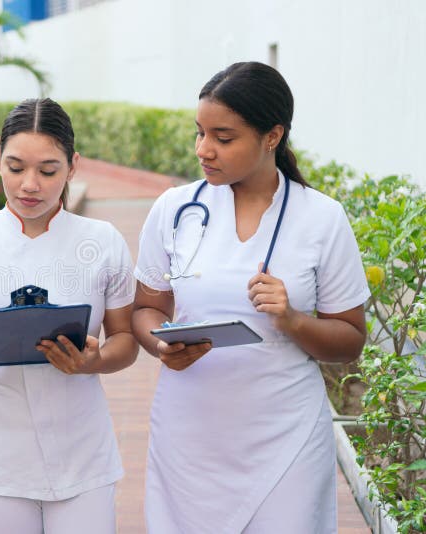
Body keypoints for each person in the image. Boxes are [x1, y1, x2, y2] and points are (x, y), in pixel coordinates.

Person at [131, 61, 370, 533]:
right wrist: (160, 346)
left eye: (223, 138)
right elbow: (146, 308)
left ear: (272, 136)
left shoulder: (321, 218)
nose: (204, 150)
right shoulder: (175, 210)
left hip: (286, 436)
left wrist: (294, 320)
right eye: (199, 133)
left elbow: (350, 340)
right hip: (190, 435)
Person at [0, 98, 138, 534]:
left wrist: (94, 361)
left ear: (73, 166)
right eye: (16, 166)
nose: (29, 185)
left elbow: (126, 343)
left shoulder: (102, 241)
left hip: (81, 444)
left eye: (48, 170)